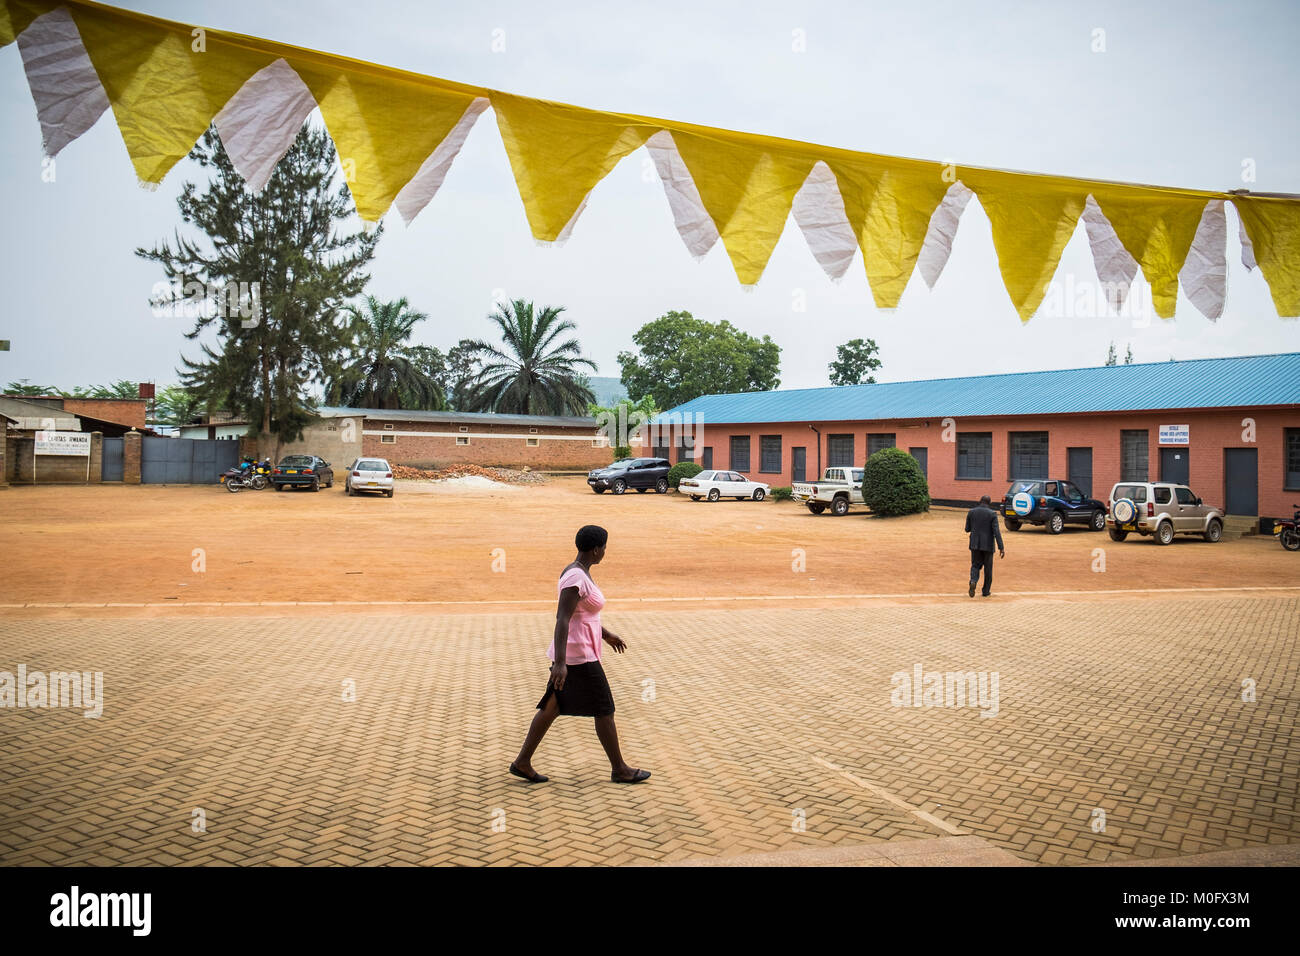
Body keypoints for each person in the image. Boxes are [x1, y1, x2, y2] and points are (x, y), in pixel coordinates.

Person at [510, 525, 651, 784]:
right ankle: (620, 769)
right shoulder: (575, 578)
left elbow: (583, 615)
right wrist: (561, 664)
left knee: (552, 706)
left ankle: (522, 762)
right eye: (605, 547)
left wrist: (605, 635)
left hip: (578, 651)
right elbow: (562, 618)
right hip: (577, 657)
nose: (605, 552)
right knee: (604, 708)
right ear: (596, 549)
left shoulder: (579, 571)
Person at [965, 494, 1005, 597]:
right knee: (988, 569)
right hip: (988, 545)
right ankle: (986, 591)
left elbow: (967, 529)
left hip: (974, 544)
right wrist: (1001, 547)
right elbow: (996, 532)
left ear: (980, 501)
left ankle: (973, 581)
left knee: (975, 565)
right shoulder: (992, 514)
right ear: (989, 503)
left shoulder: (971, 512)